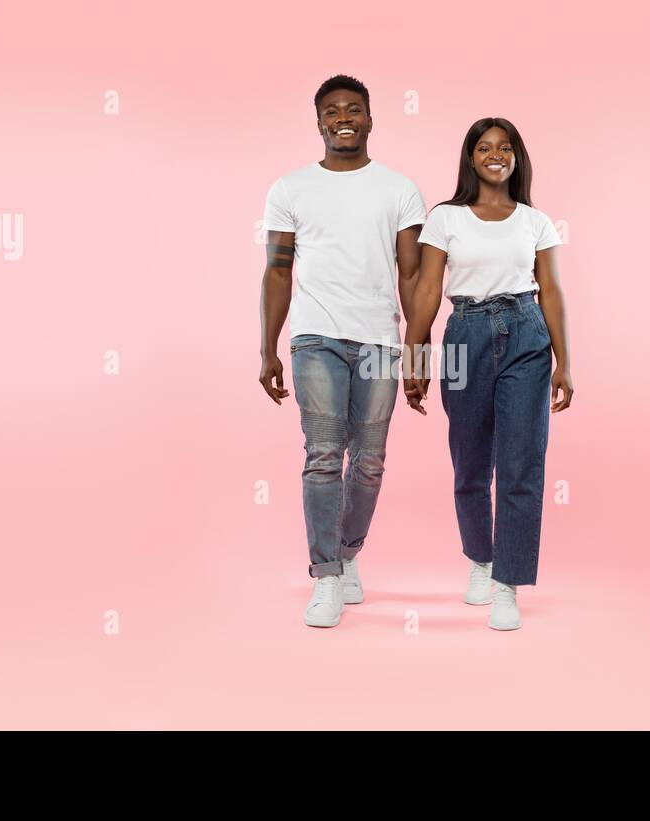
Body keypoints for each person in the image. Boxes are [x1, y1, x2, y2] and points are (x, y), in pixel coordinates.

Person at [259, 74, 426, 627]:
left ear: (371, 119)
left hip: (379, 339)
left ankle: (349, 552)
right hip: (315, 337)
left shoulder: (400, 189)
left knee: (371, 462)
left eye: (353, 108)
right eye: (332, 111)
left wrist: (418, 354)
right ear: (320, 123)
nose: (343, 117)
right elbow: (278, 271)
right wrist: (268, 348)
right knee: (324, 456)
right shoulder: (289, 189)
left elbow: (412, 276)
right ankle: (326, 575)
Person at [403, 117, 573, 631]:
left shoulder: (535, 221)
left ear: (516, 157)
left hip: (526, 332)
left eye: (504, 147)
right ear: (470, 158)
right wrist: (415, 360)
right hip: (465, 334)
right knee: (469, 460)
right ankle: (479, 559)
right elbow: (428, 290)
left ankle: (507, 583)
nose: (494, 155)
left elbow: (552, 291)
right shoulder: (445, 218)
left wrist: (565, 360)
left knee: (522, 462)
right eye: (483, 148)